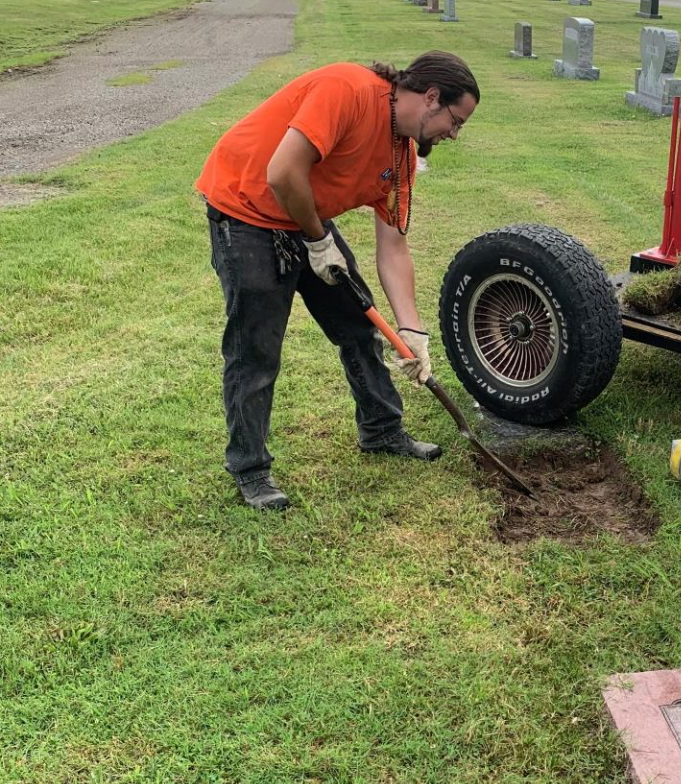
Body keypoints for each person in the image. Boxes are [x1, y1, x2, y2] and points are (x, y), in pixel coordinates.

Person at [196, 51, 480, 510]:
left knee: (357, 325)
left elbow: (394, 249)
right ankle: (250, 468)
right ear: (431, 97)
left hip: (307, 218)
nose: (454, 133)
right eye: (456, 120)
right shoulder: (348, 90)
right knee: (257, 347)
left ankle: (382, 430)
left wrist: (412, 332)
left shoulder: (401, 156)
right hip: (246, 208)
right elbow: (282, 172)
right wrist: (317, 239)